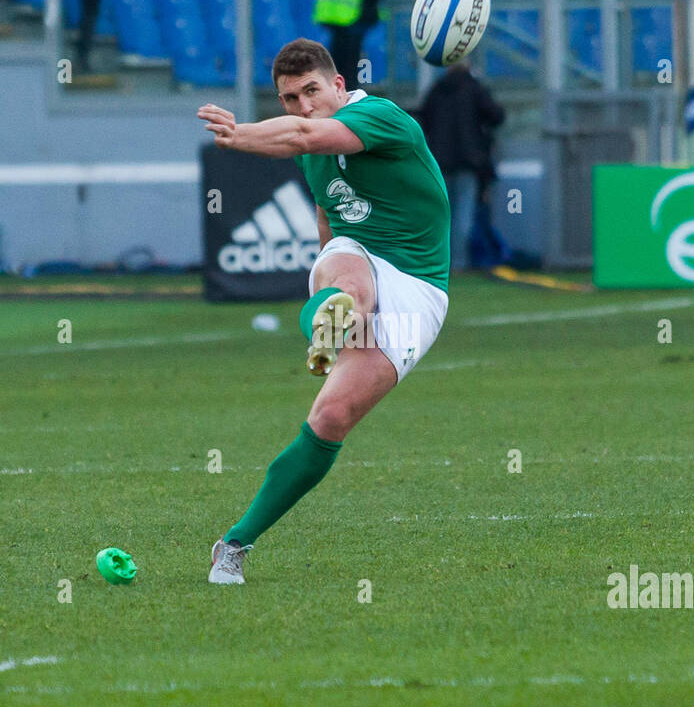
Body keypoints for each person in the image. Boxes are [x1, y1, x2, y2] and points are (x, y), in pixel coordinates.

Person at [197, 37, 450, 584]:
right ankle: (233, 549)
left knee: (331, 419)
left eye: (311, 91)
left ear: (338, 85)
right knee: (347, 272)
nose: (303, 107)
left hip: (418, 288)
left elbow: (306, 135)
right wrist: (328, 273)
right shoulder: (313, 158)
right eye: (289, 99)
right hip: (354, 264)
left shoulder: (380, 117)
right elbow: (328, 226)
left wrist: (239, 134)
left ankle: (331, 321)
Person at [419, 60, 505, 272]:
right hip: (468, 161)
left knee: (441, 216)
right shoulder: (474, 89)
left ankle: (439, 264)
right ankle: (458, 263)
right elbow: (496, 116)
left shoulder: (437, 89)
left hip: (439, 162)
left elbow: (423, 118)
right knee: (464, 215)